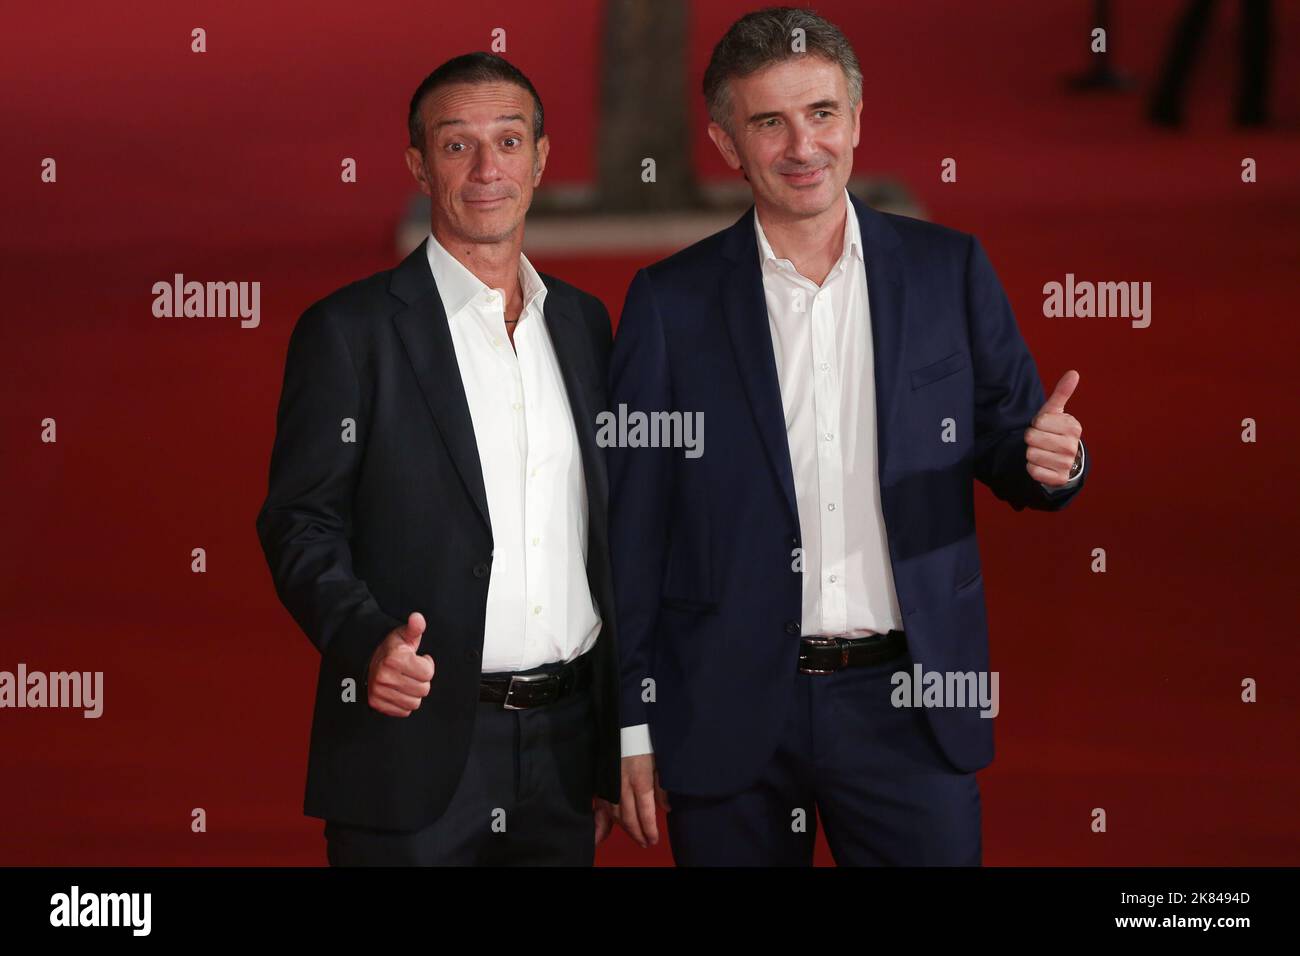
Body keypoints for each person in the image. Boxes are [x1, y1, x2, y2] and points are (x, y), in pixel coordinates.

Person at [605, 7, 1089, 865]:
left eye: (823, 114)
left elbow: (1012, 443)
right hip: (725, 705)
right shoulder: (668, 304)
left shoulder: (952, 269)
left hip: (911, 705)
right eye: (770, 122)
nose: (803, 146)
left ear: (857, 120)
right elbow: (632, 528)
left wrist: (1052, 461)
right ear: (726, 143)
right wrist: (630, 720)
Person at [256, 52, 621, 865]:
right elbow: (298, 521)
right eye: (458, 146)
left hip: (564, 751)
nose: (488, 168)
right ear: (419, 165)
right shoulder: (350, 333)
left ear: (542, 159)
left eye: (510, 140)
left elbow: (606, 539)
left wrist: (612, 739)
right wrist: (365, 641)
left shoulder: (586, 326)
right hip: (412, 748)